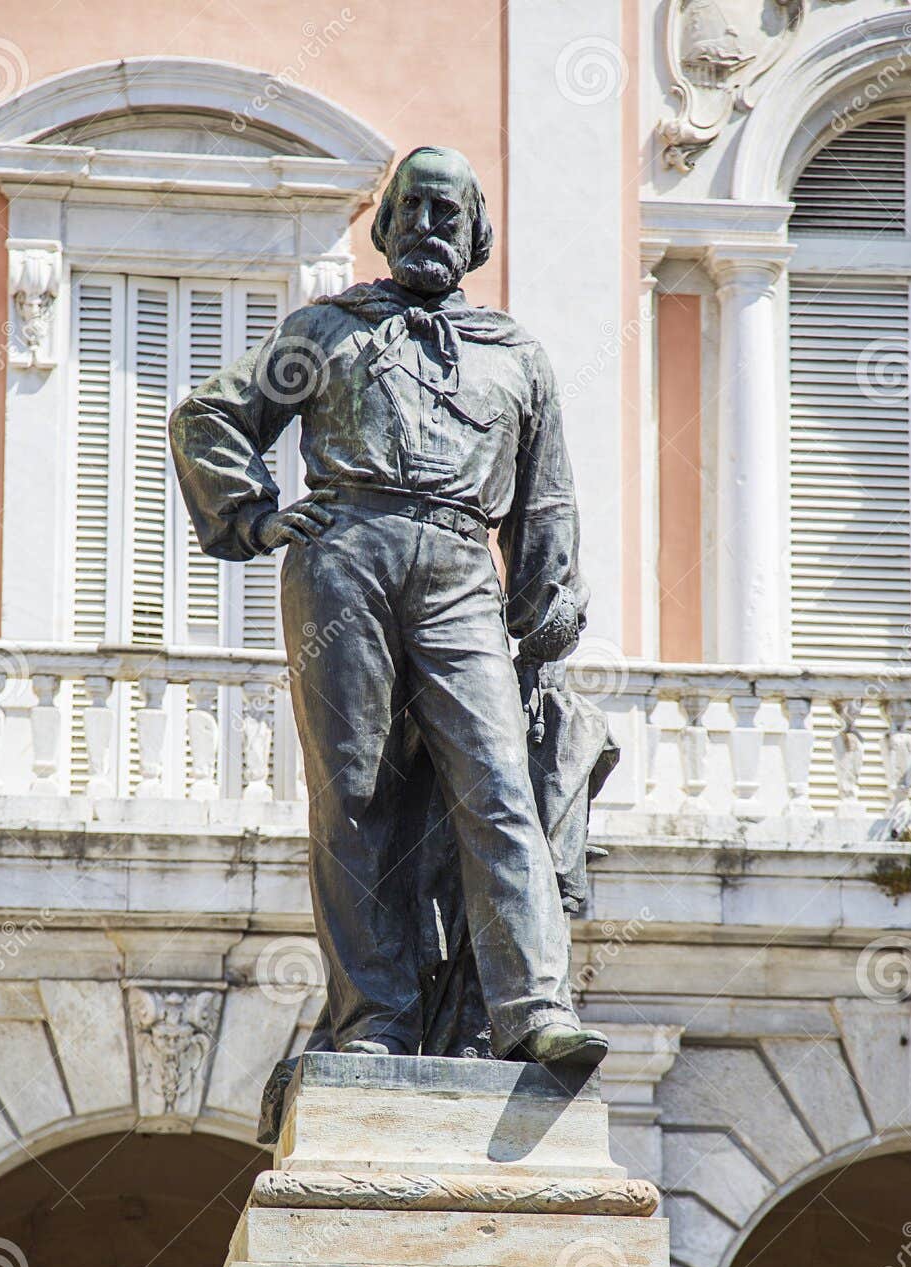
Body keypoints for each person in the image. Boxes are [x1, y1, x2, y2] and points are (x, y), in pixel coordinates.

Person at [171, 145, 608, 1071]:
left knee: (497, 785)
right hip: (344, 558)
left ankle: (533, 1007)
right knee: (353, 796)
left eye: (444, 212)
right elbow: (210, 413)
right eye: (408, 208)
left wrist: (547, 605)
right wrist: (255, 516)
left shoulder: (515, 358)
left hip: (459, 568)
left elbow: (546, 499)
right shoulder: (325, 332)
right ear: (384, 223)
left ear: (474, 232)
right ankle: (375, 1019)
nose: (424, 225)